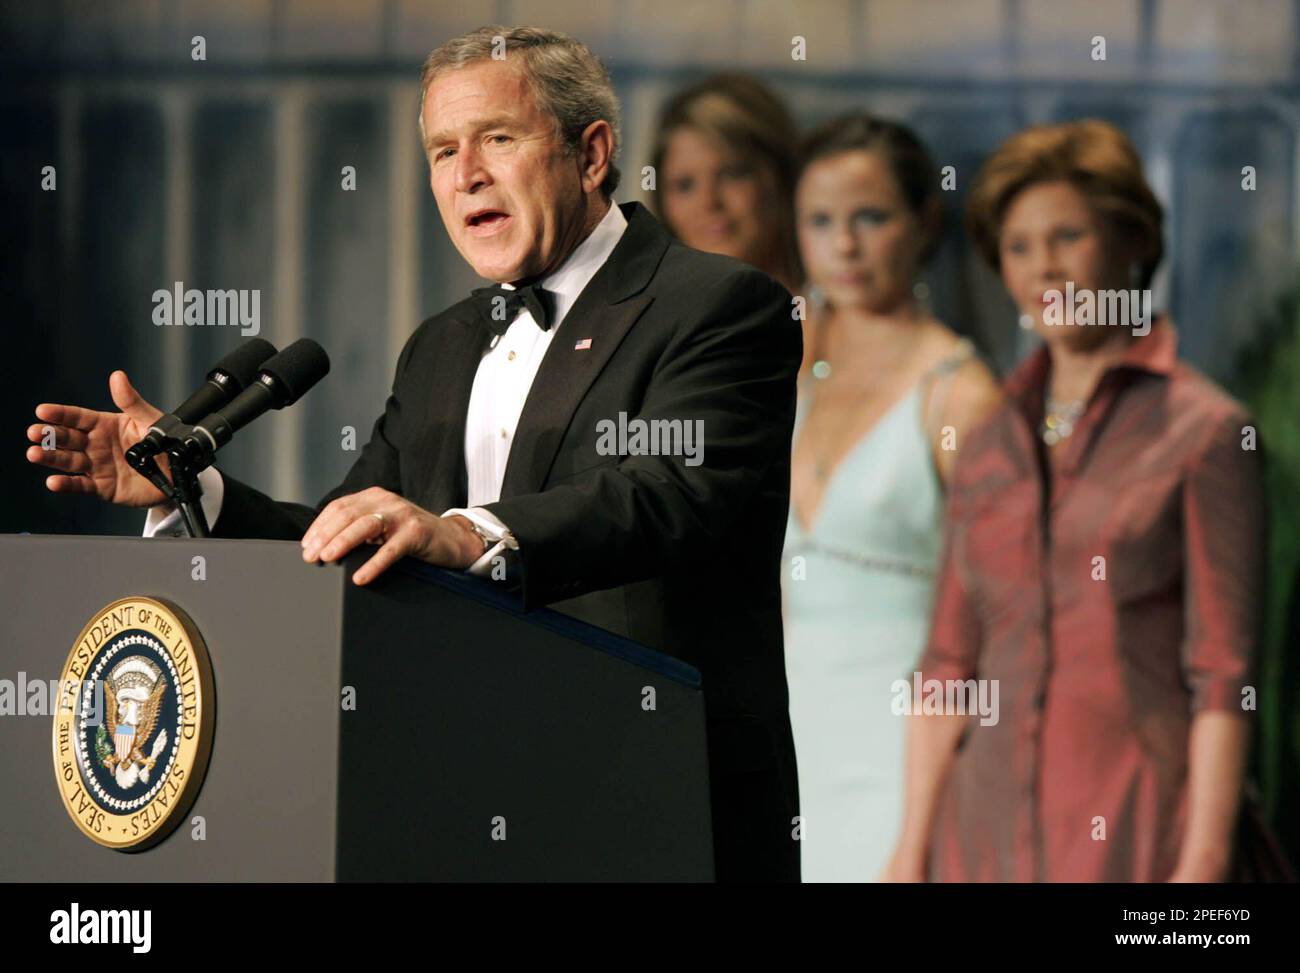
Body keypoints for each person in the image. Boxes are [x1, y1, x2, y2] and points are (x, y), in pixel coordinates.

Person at [24, 25, 803, 883]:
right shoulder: (442, 346)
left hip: (654, 812)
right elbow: (350, 544)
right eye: (441, 150)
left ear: (592, 153)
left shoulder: (718, 304)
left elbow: (670, 497)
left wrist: (470, 535)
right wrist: (191, 490)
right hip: (461, 813)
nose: (464, 173)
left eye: (497, 139)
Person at [882, 120, 1264, 882]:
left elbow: (1225, 675)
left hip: (1139, 834)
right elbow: (948, 664)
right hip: (980, 835)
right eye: (1019, 247)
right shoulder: (989, 437)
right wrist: (909, 850)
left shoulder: (1209, 431)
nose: (1043, 267)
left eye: (1068, 237)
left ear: (1131, 243)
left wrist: (1205, 864)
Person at [781, 113, 1000, 882]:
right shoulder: (785, 361)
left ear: (924, 222)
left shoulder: (961, 395)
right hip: (780, 738)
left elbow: (991, 620)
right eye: (820, 220)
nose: (843, 245)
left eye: (870, 217)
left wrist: (919, 834)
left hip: (902, 751)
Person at [648, 73, 802, 294]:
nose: (708, 201)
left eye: (733, 174)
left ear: (783, 177)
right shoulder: (647, 322)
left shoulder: (848, 318)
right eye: (684, 185)